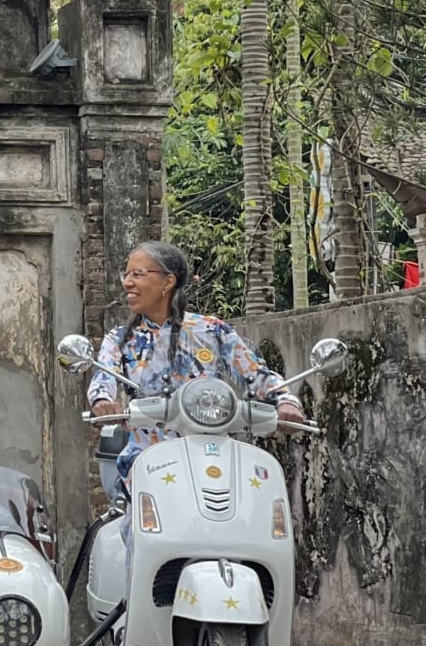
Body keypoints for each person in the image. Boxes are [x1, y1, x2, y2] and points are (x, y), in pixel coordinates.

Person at [87, 241, 302, 625]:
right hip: (149, 459)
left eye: (138, 274)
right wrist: (103, 401)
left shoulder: (213, 331)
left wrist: (286, 402)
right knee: (142, 530)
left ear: (168, 281)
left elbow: (256, 374)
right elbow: (103, 377)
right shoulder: (120, 340)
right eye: (127, 274)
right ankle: (138, 622)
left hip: (212, 457)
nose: (127, 283)